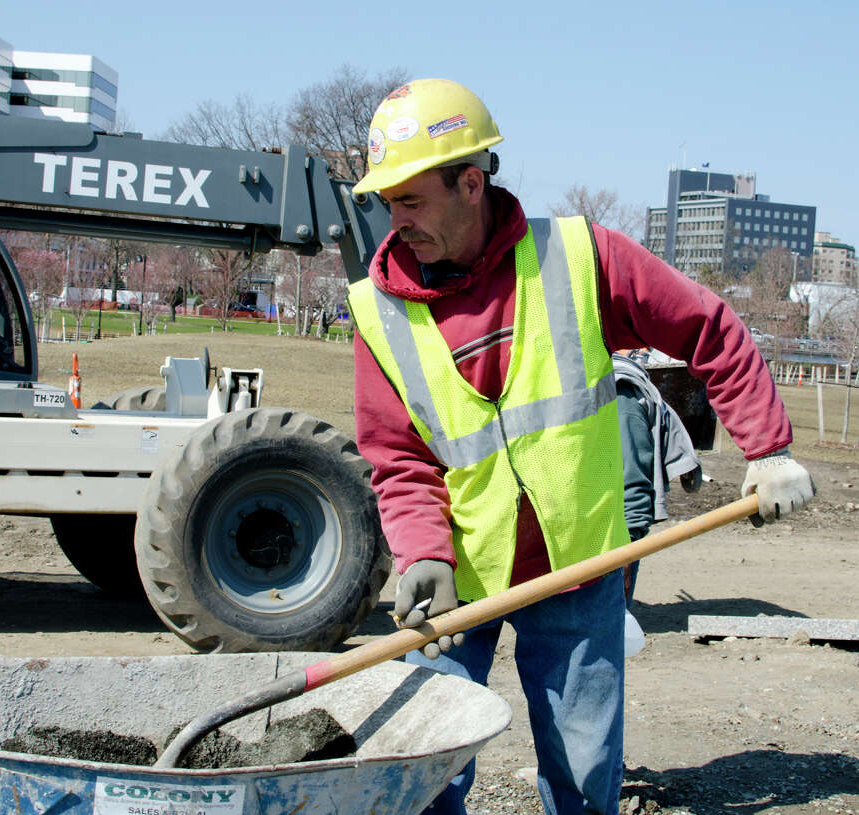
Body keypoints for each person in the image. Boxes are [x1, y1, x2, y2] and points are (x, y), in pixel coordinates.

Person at [346, 78, 815, 815]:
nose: (394, 220)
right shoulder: (379, 313)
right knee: (423, 760)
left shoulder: (577, 258)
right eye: (388, 202)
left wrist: (768, 446)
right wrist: (422, 551)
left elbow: (708, 330)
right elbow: (398, 456)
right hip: (457, 575)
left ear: (471, 182)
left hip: (579, 564)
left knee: (583, 767)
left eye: (410, 200)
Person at [612, 350, 702, 608]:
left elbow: (632, 478)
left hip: (610, 543)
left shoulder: (622, 391)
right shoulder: (615, 384)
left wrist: (627, 551)